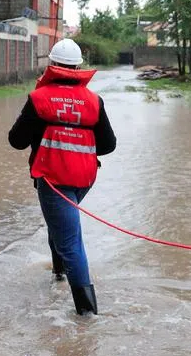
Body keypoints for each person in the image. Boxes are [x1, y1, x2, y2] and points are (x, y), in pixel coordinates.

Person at [8, 39, 116, 315]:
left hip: (54, 181)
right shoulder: (94, 101)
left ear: (52, 65)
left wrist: (44, 128)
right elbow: (108, 145)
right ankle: (58, 274)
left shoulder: (39, 99)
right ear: (78, 67)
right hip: (84, 180)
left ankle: (87, 316)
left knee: (70, 242)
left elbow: (16, 141)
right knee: (59, 225)